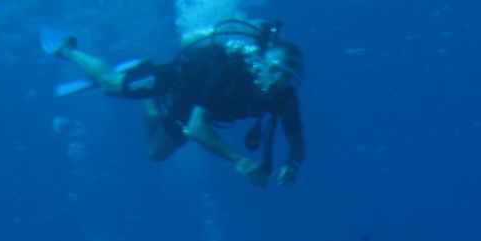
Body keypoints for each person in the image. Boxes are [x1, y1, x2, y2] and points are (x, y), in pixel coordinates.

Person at [48, 20, 305, 185]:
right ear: (262, 63)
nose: (279, 80)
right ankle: (67, 49)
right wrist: (242, 162)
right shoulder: (232, 71)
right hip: (181, 81)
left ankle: (150, 102)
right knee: (110, 84)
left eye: (289, 76)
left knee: (155, 153)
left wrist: (291, 165)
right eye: (275, 69)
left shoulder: (284, 97)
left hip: (196, 109)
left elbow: (297, 141)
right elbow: (196, 129)